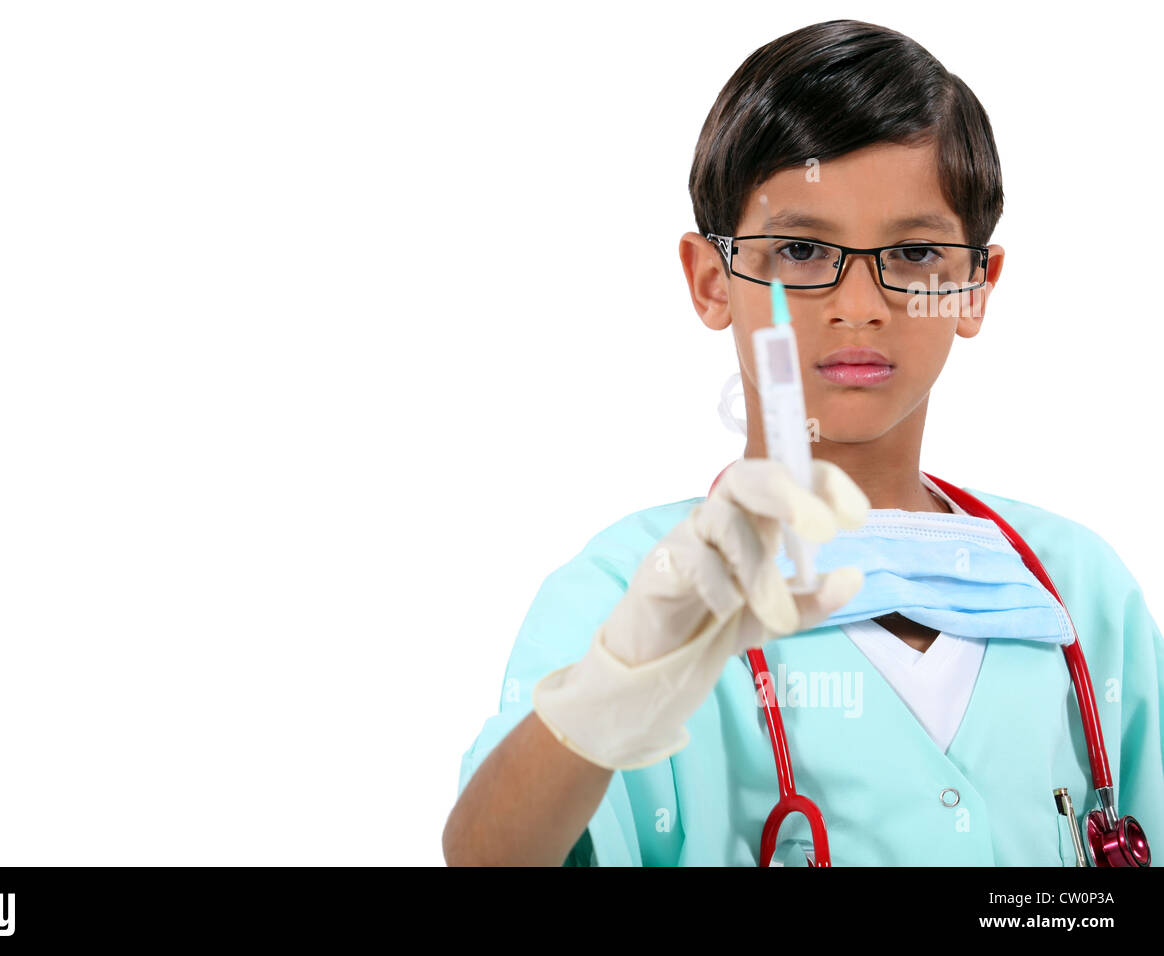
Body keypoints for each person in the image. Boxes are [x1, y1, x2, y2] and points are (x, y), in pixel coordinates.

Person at [441, 19, 1164, 866]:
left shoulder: (1079, 592)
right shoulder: (630, 590)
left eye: (917, 251)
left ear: (976, 287)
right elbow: (487, 854)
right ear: (711, 282)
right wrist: (613, 688)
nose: (859, 304)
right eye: (800, 249)